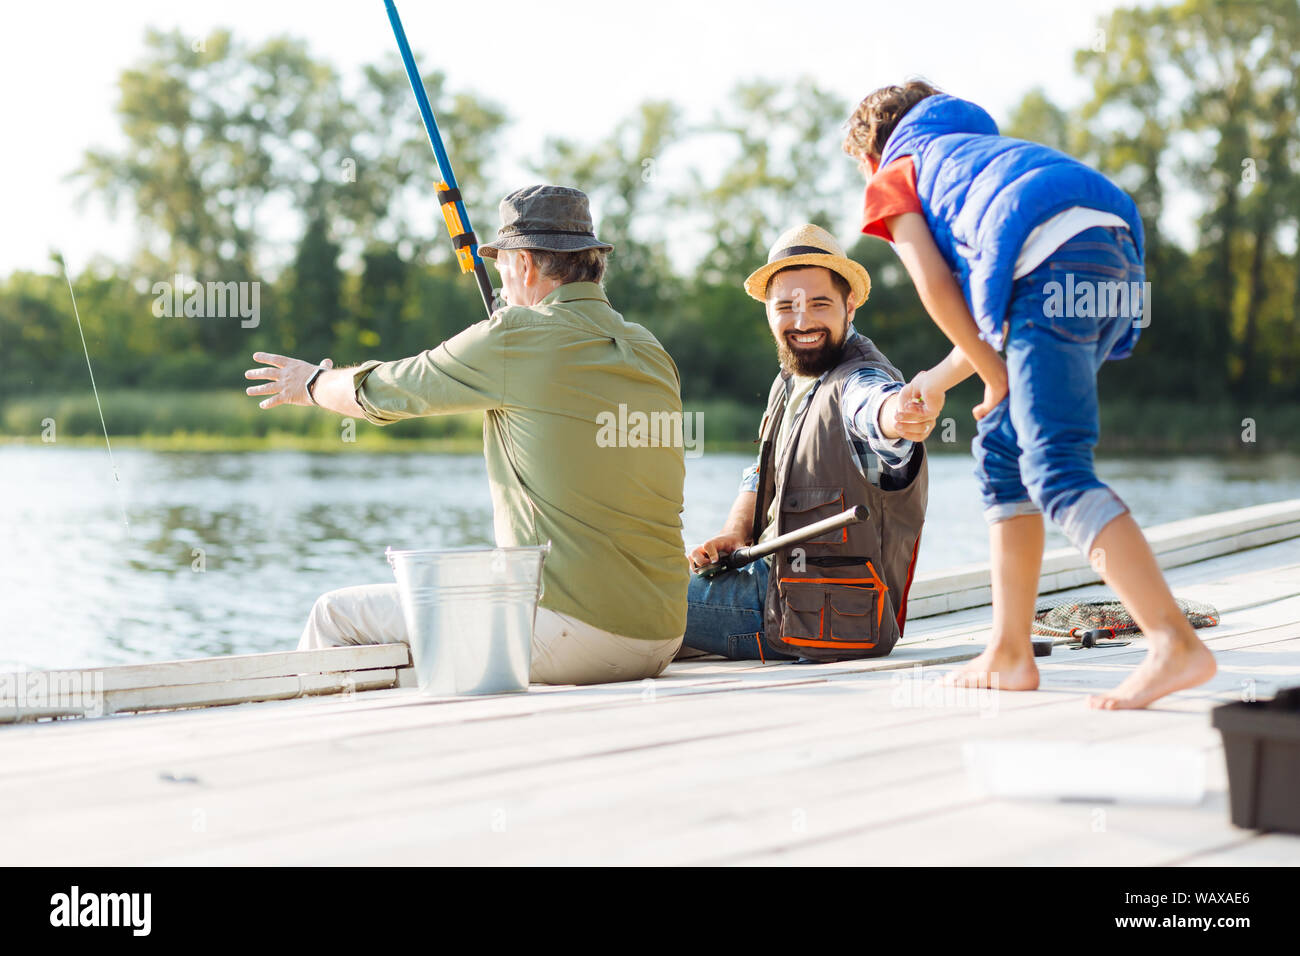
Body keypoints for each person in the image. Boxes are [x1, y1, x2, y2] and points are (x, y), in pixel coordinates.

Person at [843, 81, 1216, 708]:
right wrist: (938, 382)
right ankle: (1011, 651)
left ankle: (1173, 641)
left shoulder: (898, 170)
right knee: (1004, 449)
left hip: (1050, 262)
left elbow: (936, 286)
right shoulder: (980, 154)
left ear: (872, 153)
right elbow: (1006, 307)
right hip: (1110, 253)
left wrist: (994, 374)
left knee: (1057, 468)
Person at [244, 185, 688, 685]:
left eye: (502, 267)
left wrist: (309, 383)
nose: (501, 281)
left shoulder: (514, 335)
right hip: (662, 635)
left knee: (336, 615)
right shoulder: (650, 350)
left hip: (573, 636)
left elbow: (386, 393)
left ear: (523, 265)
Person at [683, 224, 933, 662]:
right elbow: (762, 473)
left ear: (849, 305)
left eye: (820, 304)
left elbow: (875, 411)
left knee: (628, 596)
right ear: (768, 311)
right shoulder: (792, 377)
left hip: (813, 618)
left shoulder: (861, 378)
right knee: (637, 598)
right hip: (772, 592)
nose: (802, 323)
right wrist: (734, 533)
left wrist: (897, 416)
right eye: (786, 307)